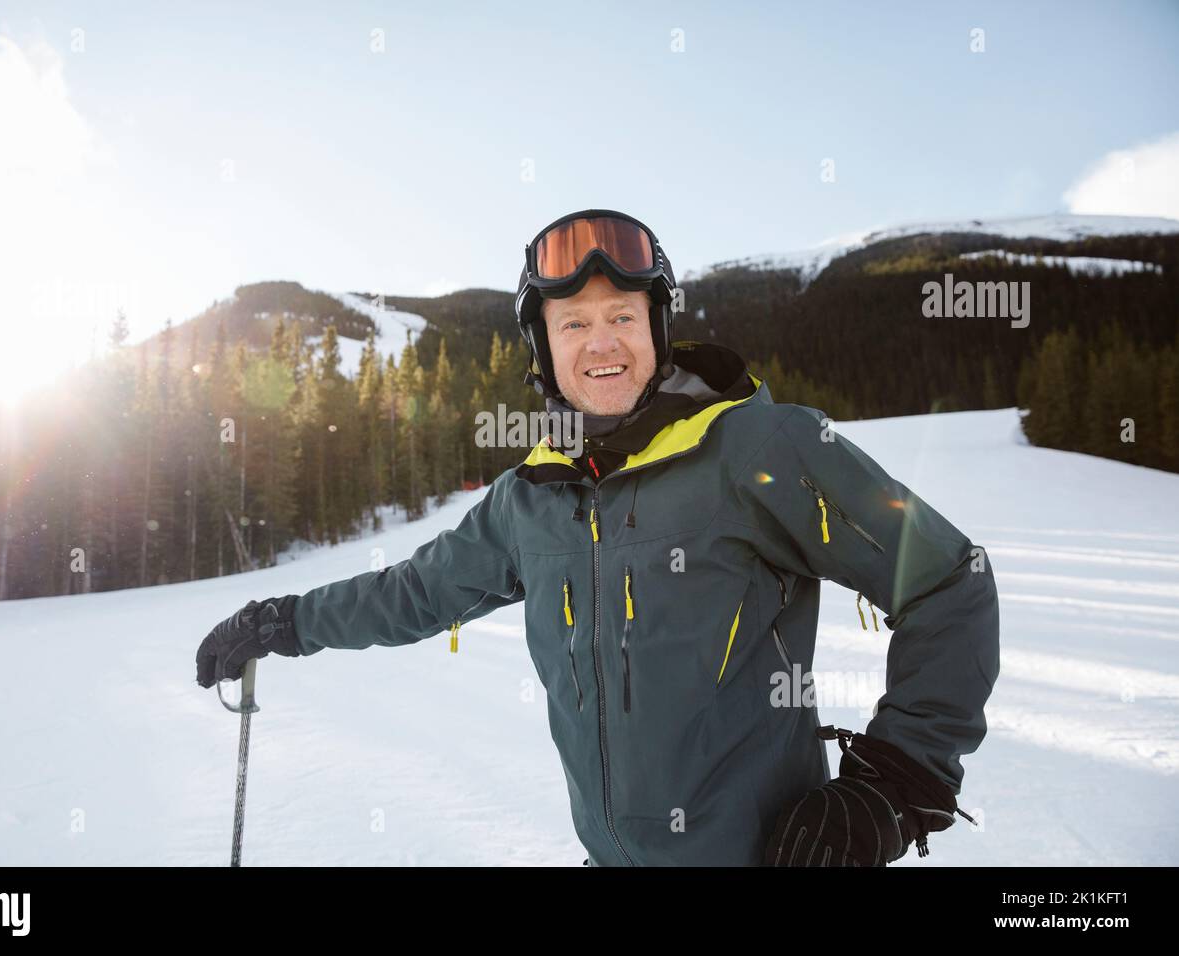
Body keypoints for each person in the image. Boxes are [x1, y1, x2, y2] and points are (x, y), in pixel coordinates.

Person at [195, 208, 1001, 866]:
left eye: (622, 315)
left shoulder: (761, 450)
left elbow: (948, 580)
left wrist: (894, 782)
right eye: (573, 322)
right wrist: (287, 621)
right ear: (543, 348)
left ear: (658, 329)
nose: (602, 342)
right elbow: (411, 593)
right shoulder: (530, 500)